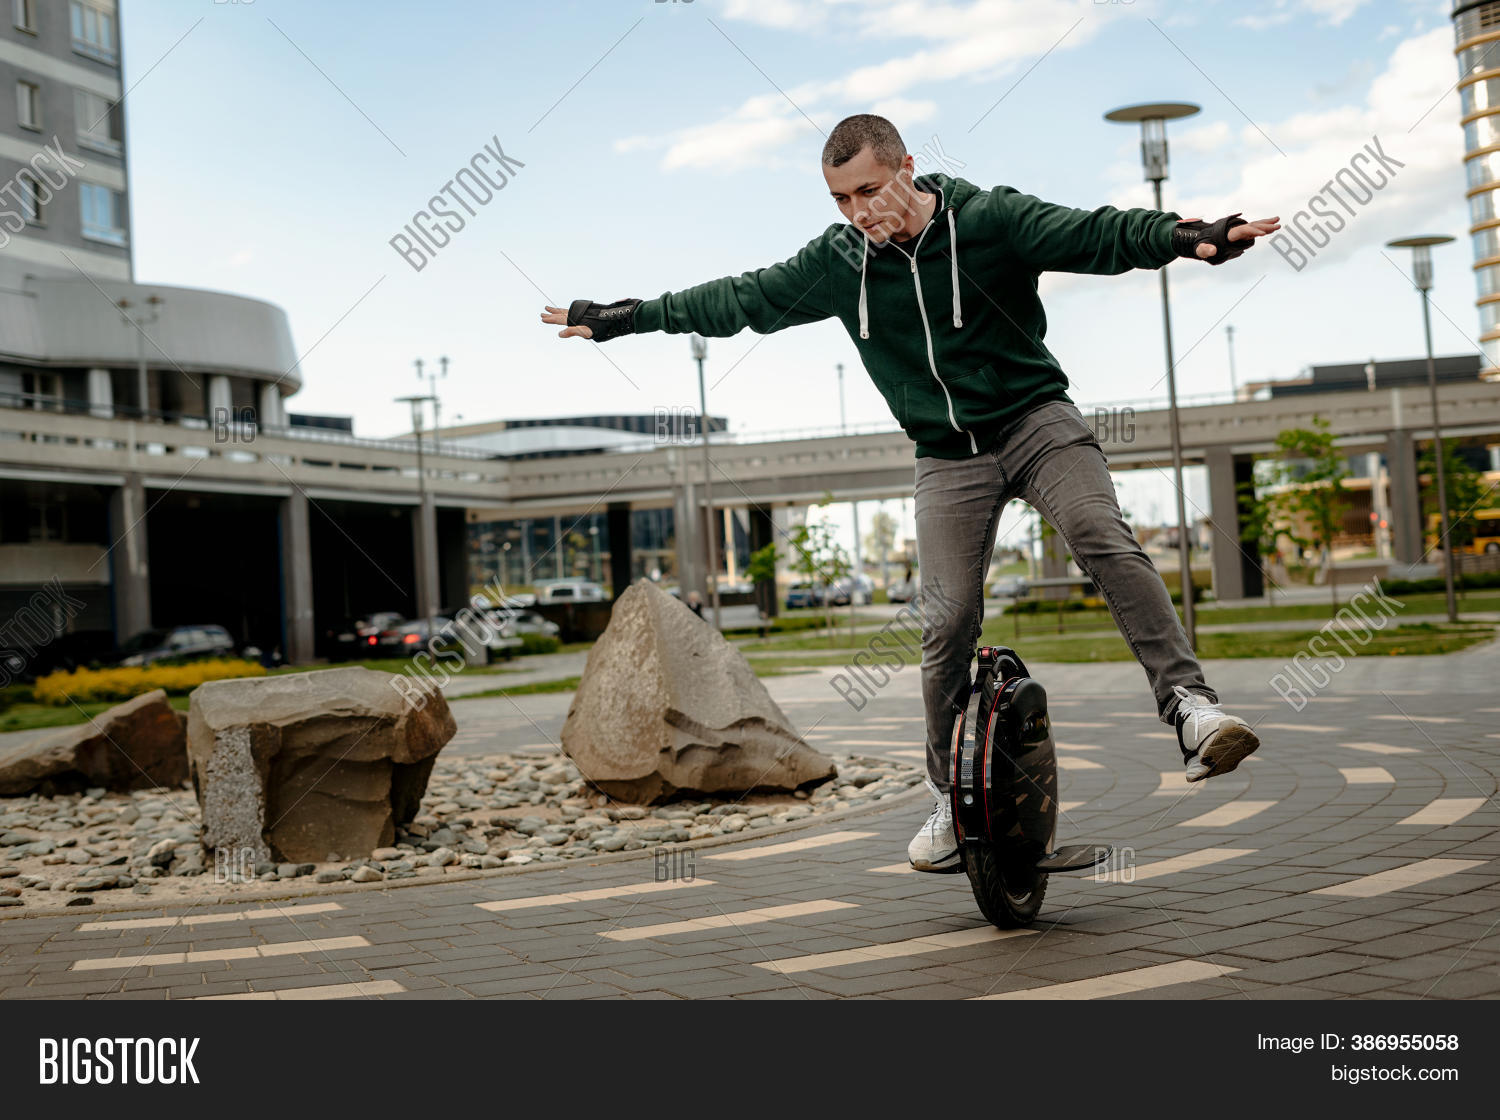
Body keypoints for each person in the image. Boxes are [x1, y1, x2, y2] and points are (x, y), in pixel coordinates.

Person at [541, 113, 1277, 873]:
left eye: (868, 189)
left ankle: (1190, 709)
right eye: (840, 201)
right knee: (946, 618)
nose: (859, 212)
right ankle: (951, 800)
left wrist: (1188, 236)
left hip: (1035, 422)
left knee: (1101, 535)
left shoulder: (989, 219)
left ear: (906, 168)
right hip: (946, 458)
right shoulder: (838, 262)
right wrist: (626, 319)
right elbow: (738, 298)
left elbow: (1097, 233)